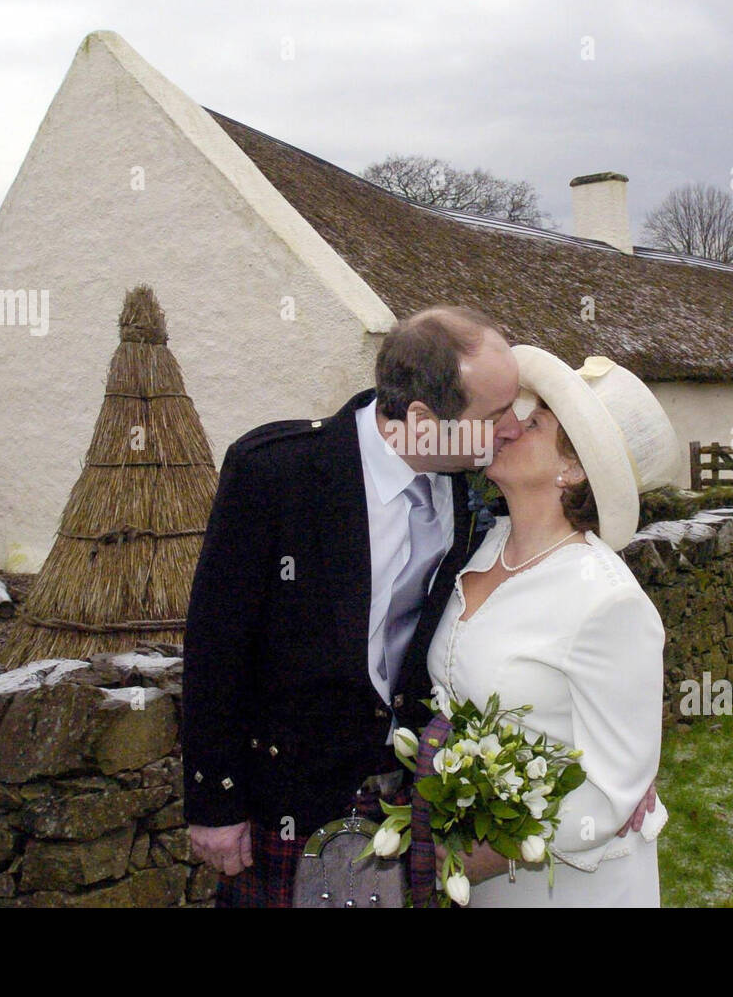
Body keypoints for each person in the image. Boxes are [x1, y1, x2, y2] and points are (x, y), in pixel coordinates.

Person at [183, 308, 660, 906]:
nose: (508, 429)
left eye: (522, 416)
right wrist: (213, 801)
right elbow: (214, 645)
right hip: (286, 799)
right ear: (421, 421)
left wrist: (612, 781)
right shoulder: (278, 472)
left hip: (412, 812)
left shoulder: (466, 493)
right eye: (493, 417)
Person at [424, 347, 679, 907]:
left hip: (565, 887)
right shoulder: (478, 546)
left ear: (573, 469)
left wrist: (473, 857)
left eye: (533, 422)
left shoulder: (606, 601)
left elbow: (614, 792)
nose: (508, 427)